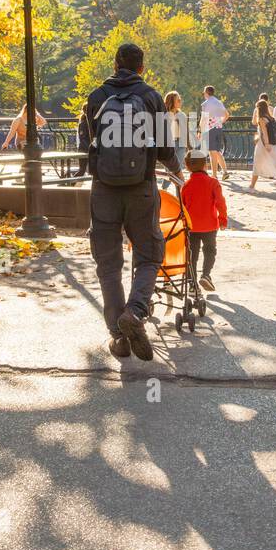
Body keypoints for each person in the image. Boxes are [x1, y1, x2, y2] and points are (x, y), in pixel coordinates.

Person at [79, 43, 182, 361]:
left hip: (104, 189)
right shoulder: (151, 97)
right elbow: (165, 148)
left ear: (114, 65)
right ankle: (136, 313)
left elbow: (85, 146)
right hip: (142, 188)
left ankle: (119, 337)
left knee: (108, 264)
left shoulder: (96, 98)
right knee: (149, 255)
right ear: (141, 67)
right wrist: (179, 175)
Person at [180, 149, 228, 292]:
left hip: (191, 226)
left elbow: (182, 207)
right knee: (210, 251)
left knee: (192, 255)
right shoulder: (213, 183)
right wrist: (223, 218)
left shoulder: (186, 186)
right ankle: (206, 275)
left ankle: (192, 284)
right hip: (210, 225)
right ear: (205, 165)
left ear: (187, 167)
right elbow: (220, 202)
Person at [249, 98, 276, 192]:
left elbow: (264, 133)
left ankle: (251, 187)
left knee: (257, 164)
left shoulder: (262, 119)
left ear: (258, 109)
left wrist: (266, 144)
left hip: (263, 145)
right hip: (274, 144)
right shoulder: (270, 118)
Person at [198, 85, 229, 180]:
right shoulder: (219, 102)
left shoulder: (205, 104)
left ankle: (214, 175)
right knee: (217, 151)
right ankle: (225, 172)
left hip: (209, 129)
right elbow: (227, 115)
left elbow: (203, 119)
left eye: (204, 93)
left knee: (212, 152)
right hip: (218, 128)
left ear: (207, 93)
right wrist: (221, 121)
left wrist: (200, 130)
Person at [164, 91, 188, 172]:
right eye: (178, 100)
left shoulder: (182, 115)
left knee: (178, 168)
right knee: (169, 169)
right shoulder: (164, 115)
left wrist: (189, 146)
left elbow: (186, 132)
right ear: (171, 101)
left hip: (181, 144)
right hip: (169, 144)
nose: (180, 101)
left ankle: (179, 185)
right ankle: (165, 184)